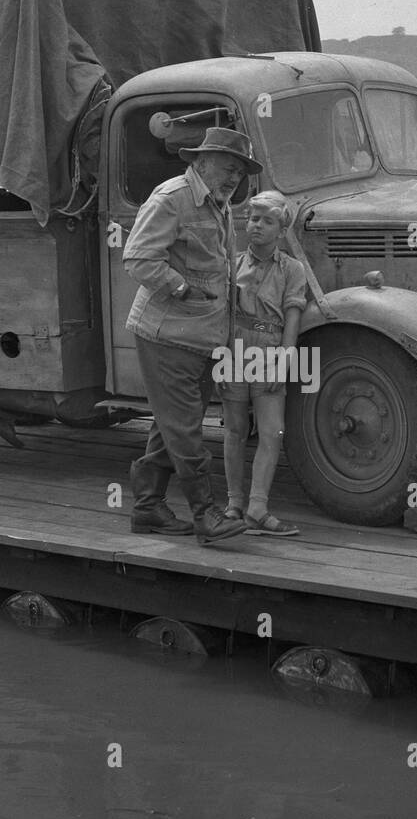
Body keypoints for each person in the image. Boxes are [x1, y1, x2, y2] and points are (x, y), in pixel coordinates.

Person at [123, 126, 257, 544]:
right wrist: (181, 287)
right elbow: (138, 258)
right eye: (228, 167)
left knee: (172, 425)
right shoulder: (172, 199)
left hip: (201, 335)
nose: (235, 177)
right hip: (168, 335)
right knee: (184, 430)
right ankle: (206, 514)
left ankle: (147, 508)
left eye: (240, 171)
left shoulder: (218, 203)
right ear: (201, 161)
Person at [220, 191, 308, 537]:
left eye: (267, 221)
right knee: (234, 430)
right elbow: (222, 313)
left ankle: (258, 508)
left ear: (281, 230)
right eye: (253, 218)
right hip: (234, 348)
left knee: (272, 432)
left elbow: (293, 314)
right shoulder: (232, 264)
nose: (256, 225)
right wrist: (220, 355)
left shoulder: (292, 269)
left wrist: (285, 359)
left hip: (270, 351)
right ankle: (233, 504)